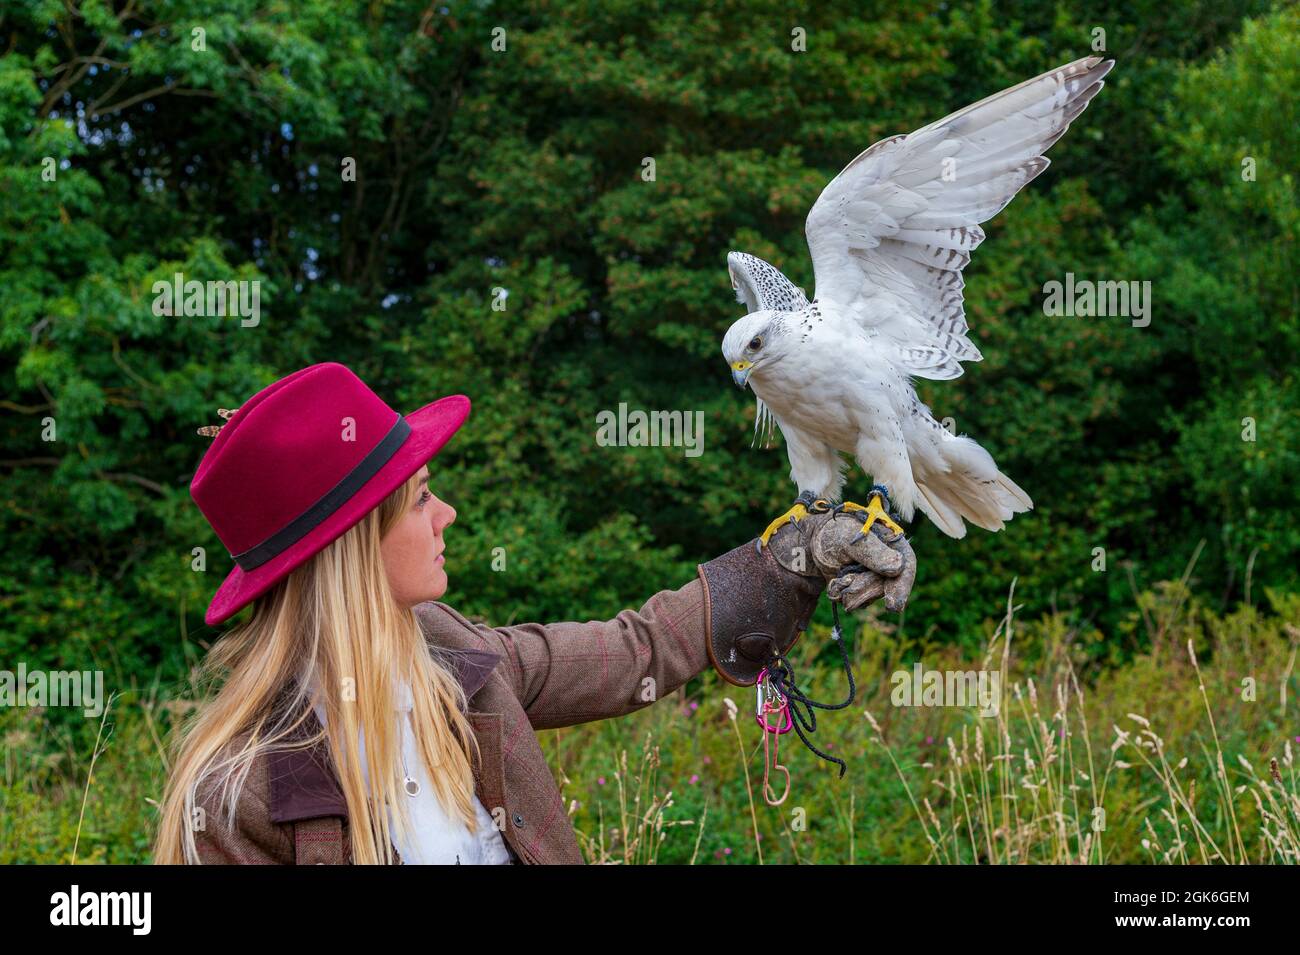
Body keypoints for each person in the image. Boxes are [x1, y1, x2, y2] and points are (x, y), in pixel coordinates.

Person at [151, 362, 915, 864]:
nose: (446, 513)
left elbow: (639, 651)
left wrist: (798, 555)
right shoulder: (238, 792)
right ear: (352, 550)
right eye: (421, 500)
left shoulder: (453, 659)